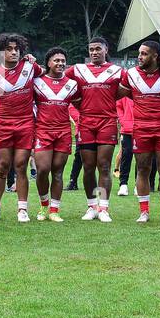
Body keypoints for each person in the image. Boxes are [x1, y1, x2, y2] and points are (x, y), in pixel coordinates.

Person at [118, 40, 160, 223]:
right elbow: (116, 94)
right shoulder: (130, 74)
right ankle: (144, 212)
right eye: (139, 53)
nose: (139, 57)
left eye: (144, 53)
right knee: (143, 169)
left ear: (155, 55)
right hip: (141, 128)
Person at [66, 37, 123, 222]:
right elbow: (55, 76)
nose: (94, 52)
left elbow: (130, 88)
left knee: (104, 166)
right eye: (91, 49)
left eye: (98, 49)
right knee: (88, 167)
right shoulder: (78, 70)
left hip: (107, 122)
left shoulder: (117, 71)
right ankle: (91, 206)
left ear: (106, 50)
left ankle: (103, 208)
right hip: (86, 124)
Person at [0, 33, 40, 222]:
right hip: (3, 124)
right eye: (9, 49)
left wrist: (34, 59)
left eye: (17, 49)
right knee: (2, 167)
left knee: (21, 166)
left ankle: (22, 209)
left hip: (25, 123)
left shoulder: (30, 67)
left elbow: (48, 76)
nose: (14, 52)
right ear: (1, 52)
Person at [32, 47, 81, 221]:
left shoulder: (72, 84)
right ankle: (43, 206)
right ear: (48, 63)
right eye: (56, 60)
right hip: (43, 131)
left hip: (63, 132)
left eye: (62, 60)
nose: (60, 63)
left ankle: (54, 210)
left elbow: (80, 106)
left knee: (58, 172)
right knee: (43, 170)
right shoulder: (37, 82)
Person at [115, 96, 134, 196]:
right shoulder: (125, 92)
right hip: (127, 130)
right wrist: (124, 122)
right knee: (126, 155)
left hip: (143, 128)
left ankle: (138, 185)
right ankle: (123, 184)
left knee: (142, 158)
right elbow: (119, 106)